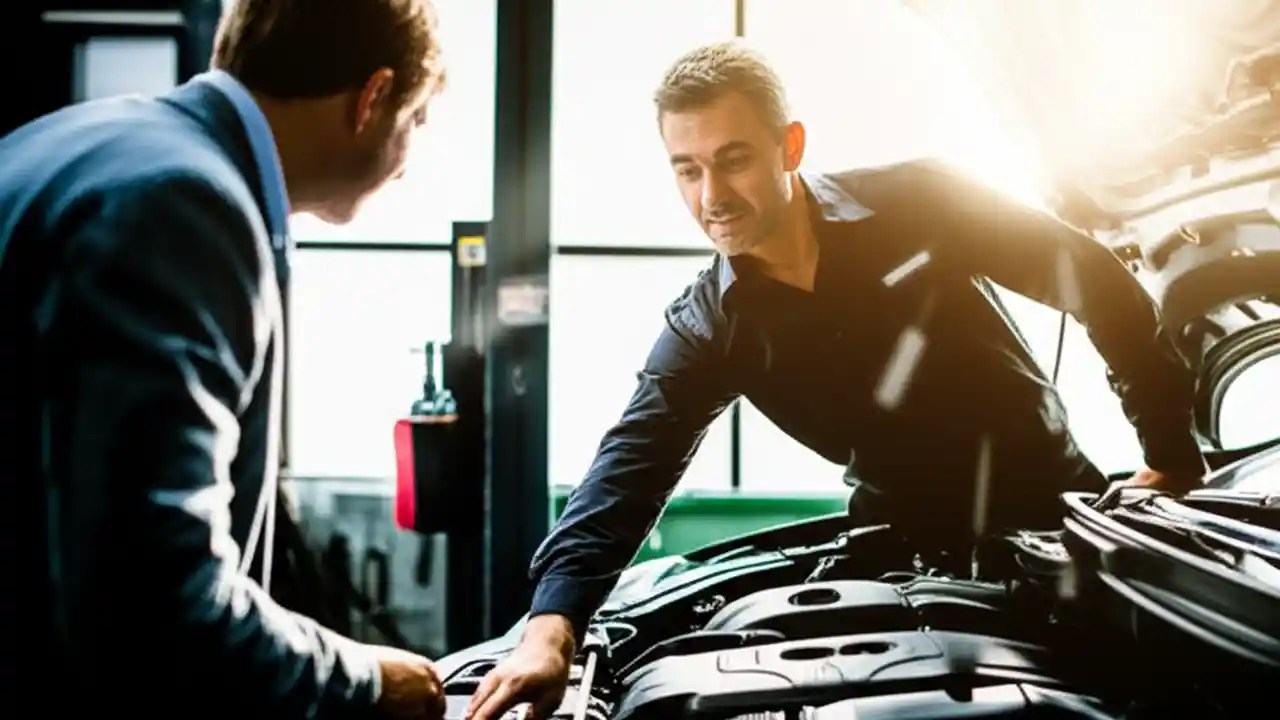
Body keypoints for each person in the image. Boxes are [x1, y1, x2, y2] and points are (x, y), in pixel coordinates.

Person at [464, 40, 1209, 720]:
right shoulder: (712, 325)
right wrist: (550, 629)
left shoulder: (922, 201)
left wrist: (1171, 454)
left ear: (790, 145)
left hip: (1055, 519)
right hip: (902, 551)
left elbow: (1098, 285)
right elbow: (627, 468)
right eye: (687, 170)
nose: (711, 196)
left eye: (733, 159)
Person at [0, 1, 449, 717]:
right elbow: (157, 600)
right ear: (372, 98)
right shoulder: (184, 205)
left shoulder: (71, 141)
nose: (412, 157)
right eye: (418, 118)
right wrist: (365, 681)